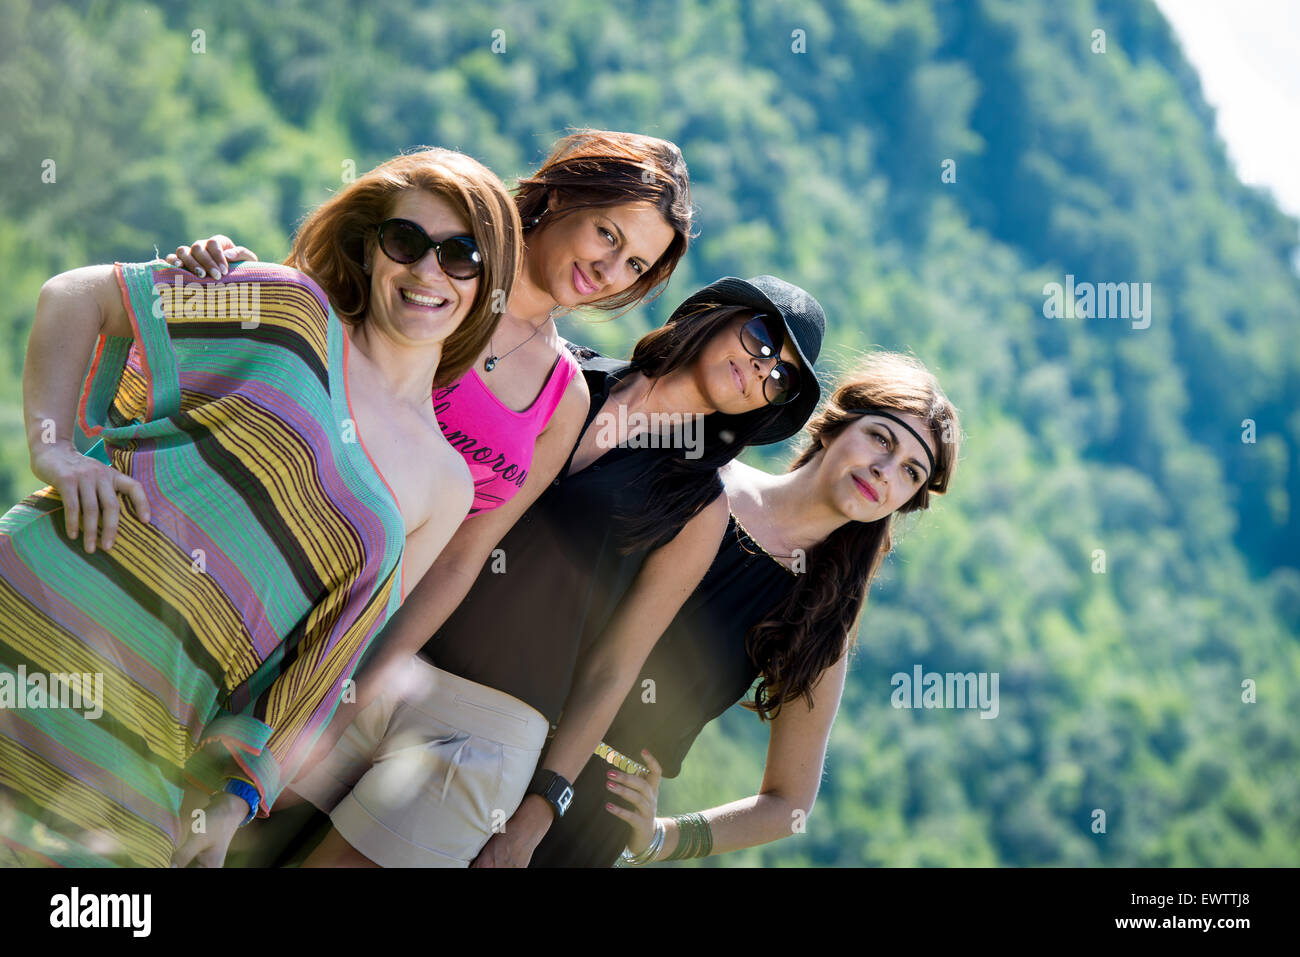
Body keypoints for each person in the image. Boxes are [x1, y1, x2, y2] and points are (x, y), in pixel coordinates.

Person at [0, 147, 521, 868]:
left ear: (490, 280)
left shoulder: (447, 484)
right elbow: (76, 296)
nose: (429, 271)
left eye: (460, 255)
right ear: (372, 249)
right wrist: (54, 450)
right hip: (29, 598)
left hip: (151, 719)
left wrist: (235, 799)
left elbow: (336, 654)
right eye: (407, 242)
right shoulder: (289, 308)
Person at [288, 275, 826, 867]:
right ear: (716, 313)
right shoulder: (562, 375)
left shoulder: (697, 507)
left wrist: (540, 808)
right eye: (761, 338)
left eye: (782, 379)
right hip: (372, 652)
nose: (763, 368)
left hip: (483, 732)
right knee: (221, 838)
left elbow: (614, 668)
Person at [527, 351, 961, 866]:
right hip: (511, 716)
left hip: (589, 813)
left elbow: (789, 804)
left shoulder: (821, 623)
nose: (884, 471)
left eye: (911, 472)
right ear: (832, 427)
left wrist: (663, 837)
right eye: (881, 439)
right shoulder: (704, 474)